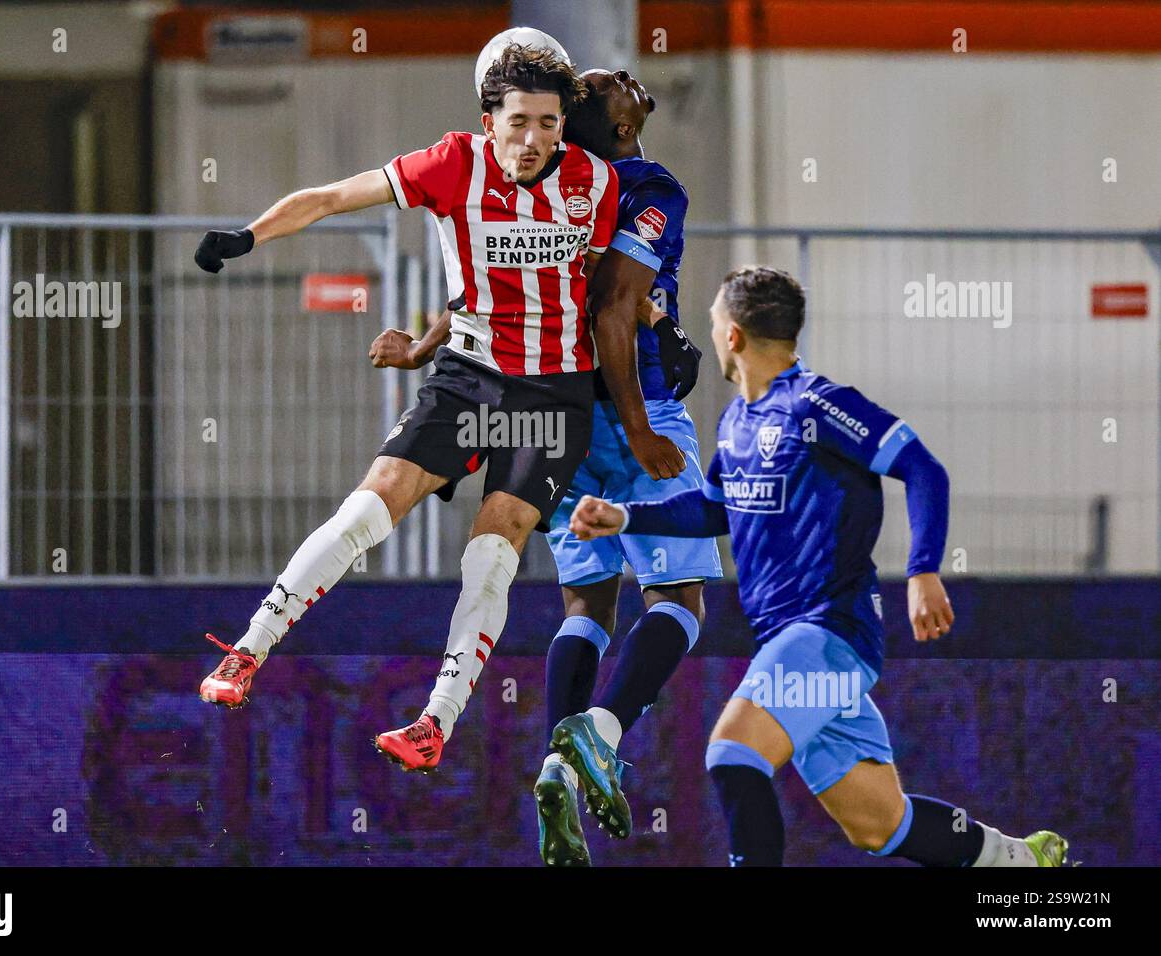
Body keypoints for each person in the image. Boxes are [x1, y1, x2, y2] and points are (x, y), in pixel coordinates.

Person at [193, 43, 684, 775]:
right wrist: (247, 235)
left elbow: (607, 289)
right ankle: (249, 651)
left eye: (548, 124)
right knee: (366, 511)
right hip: (468, 379)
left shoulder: (599, 183)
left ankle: (434, 724)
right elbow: (329, 198)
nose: (531, 141)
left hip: (554, 392)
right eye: (517, 122)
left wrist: (663, 321)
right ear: (488, 121)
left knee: (491, 558)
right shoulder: (452, 164)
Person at [569, 266, 1068, 867]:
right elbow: (712, 509)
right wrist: (626, 518)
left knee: (732, 754)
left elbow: (923, 468)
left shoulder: (817, 405)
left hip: (828, 632)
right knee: (881, 826)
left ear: (732, 336)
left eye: (713, 322)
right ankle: (1023, 860)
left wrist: (923, 570)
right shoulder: (737, 421)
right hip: (793, 642)